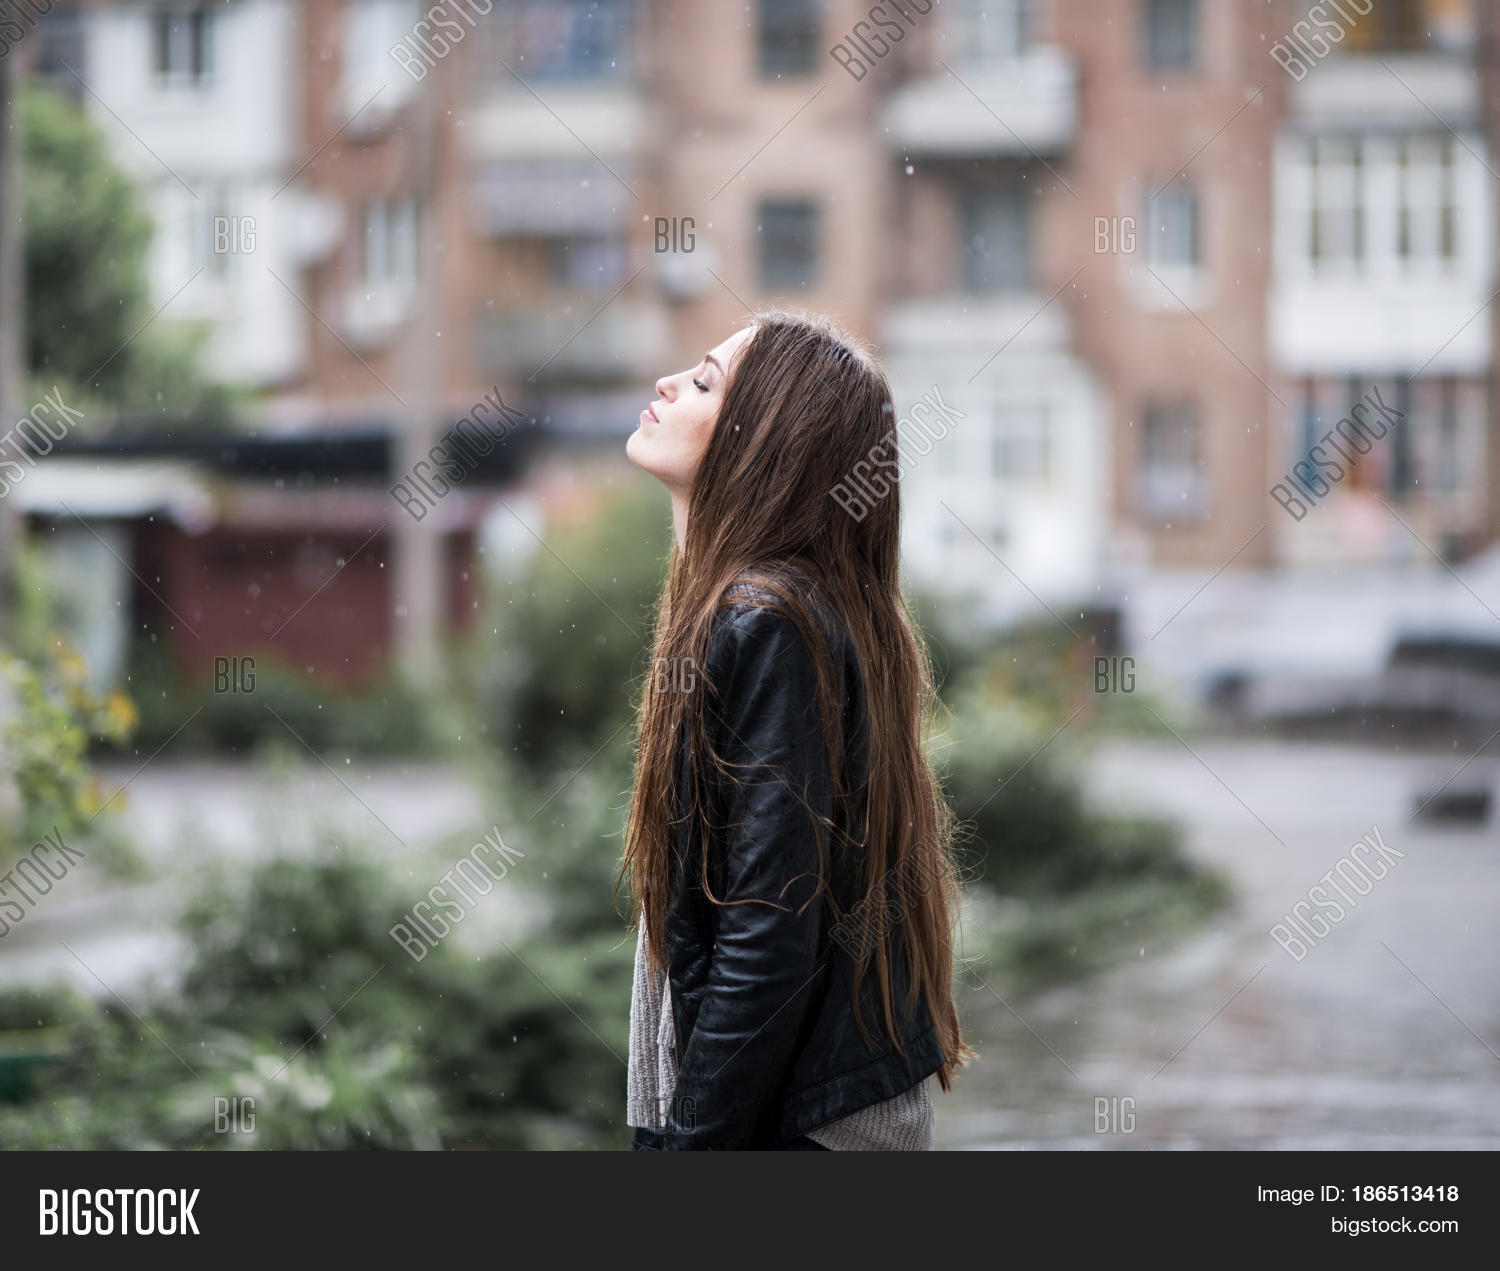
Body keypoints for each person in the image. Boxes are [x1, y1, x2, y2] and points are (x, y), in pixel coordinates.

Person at [619, 310, 974, 1150]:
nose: (668, 384)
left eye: (704, 382)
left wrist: (693, 1147)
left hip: (790, 1130)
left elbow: (767, 937)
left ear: (765, 441)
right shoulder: (786, 609)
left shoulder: (766, 621)